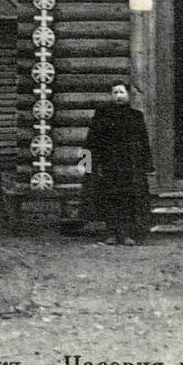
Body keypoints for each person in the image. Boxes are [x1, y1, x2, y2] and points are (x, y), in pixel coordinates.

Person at [79, 80, 154, 244]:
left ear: (128, 95)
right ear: (111, 95)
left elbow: (143, 141)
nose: (118, 96)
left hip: (130, 165)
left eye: (121, 92)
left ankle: (127, 234)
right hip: (108, 164)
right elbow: (91, 140)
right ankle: (111, 233)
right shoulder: (102, 114)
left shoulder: (136, 116)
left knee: (129, 198)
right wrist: (87, 164)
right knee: (109, 197)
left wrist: (147, 164)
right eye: (115, 93)